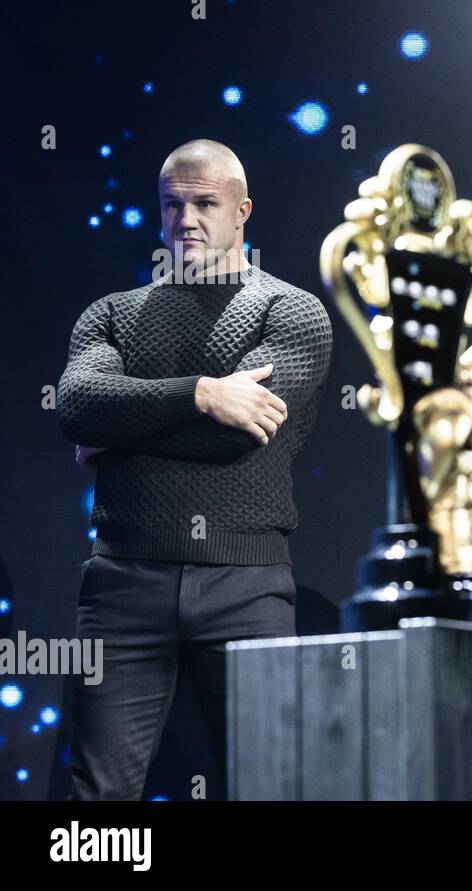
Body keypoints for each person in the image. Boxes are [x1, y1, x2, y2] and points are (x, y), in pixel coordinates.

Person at [56, 138, 333, 799]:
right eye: (172, 205)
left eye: (204, 203)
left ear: (242, 211)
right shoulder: (112, 314)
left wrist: (119, 435)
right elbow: (76, 405)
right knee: (97, 795)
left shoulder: (289, 311)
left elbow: (240, 442)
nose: (186, 220)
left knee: (272, 786)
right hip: (122, 583)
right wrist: (203, 394)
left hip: (247, 585)